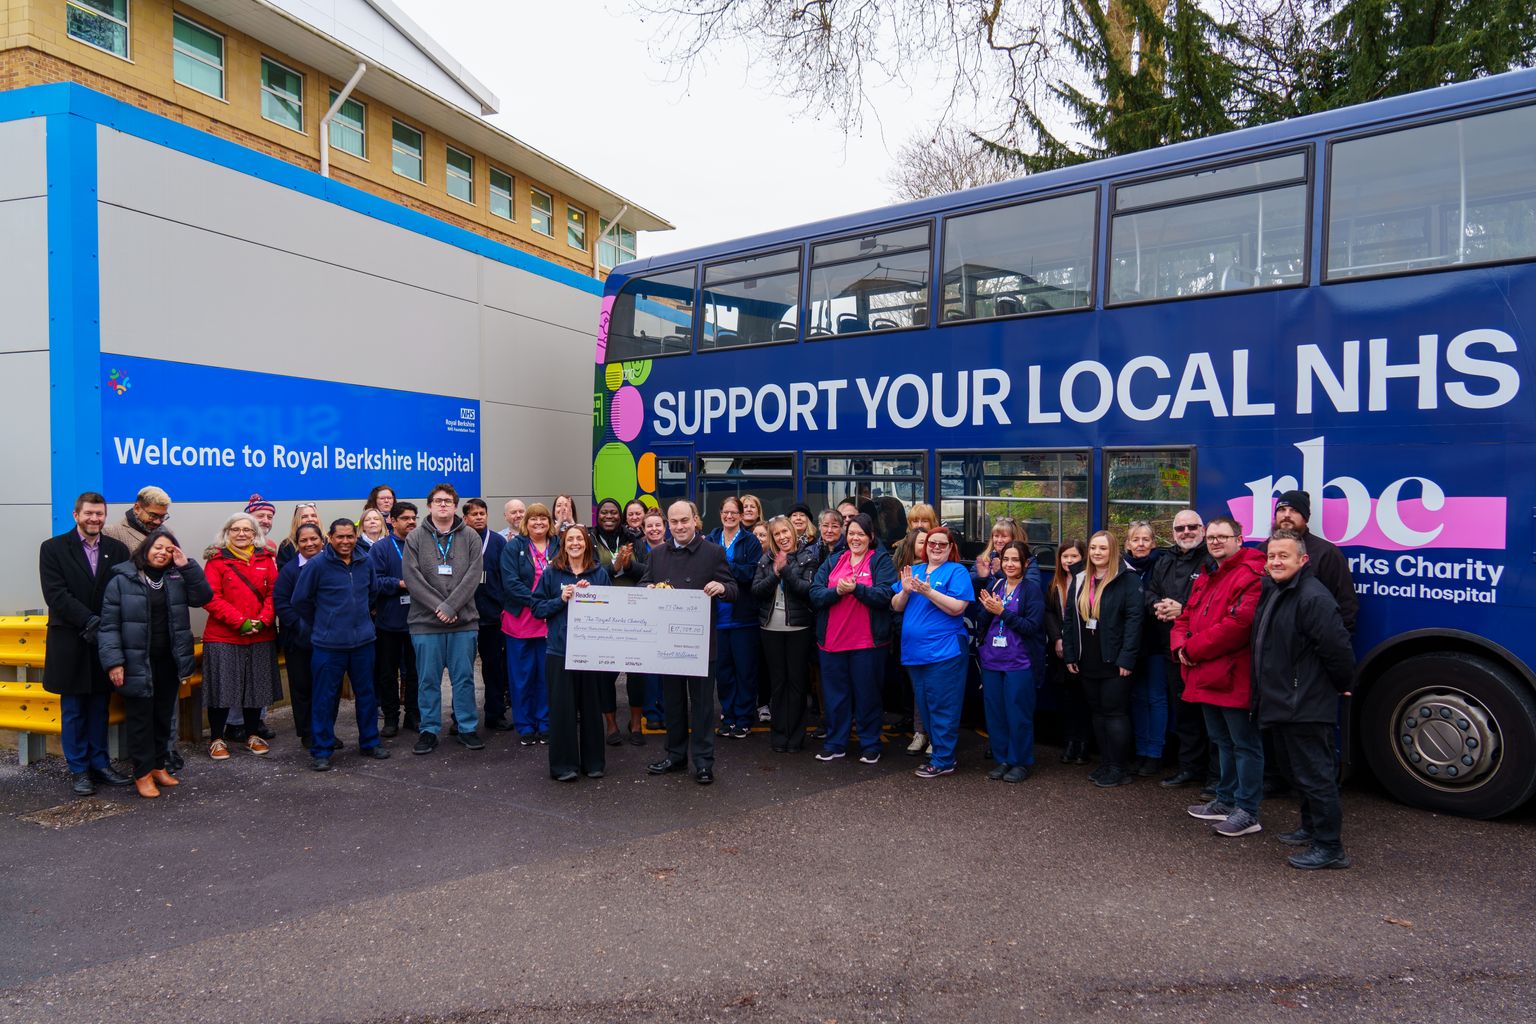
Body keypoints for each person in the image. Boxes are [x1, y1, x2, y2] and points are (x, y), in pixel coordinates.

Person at [1253, 530, 1357, 870]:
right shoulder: (1277, 590)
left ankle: (1330, 847)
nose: (1276, 561)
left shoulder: (1313, 597)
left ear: (1303, 559)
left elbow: (1337, 648)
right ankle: (1310, 828)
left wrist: (1343, 684)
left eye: (1284, 556)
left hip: (1305, 702)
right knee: (1298, 772)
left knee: (1316, 775)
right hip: (1284, 700)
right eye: (1271, 556)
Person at [1169, 515, 1267, 837]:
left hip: (1233, 676)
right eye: (1211, 537)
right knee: (1222, 740)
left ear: (1239, 539)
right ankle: (1225, 800)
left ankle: (1247, 811)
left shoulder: (1251, 574)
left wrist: (1191, 649)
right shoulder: (1208, 573)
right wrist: (1179, 646)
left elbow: (1237, 626)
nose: (1215, 542)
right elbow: (1185, 615)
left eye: (1222, 537)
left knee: (1244, 744)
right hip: (1206, 675)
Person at [98, 528, 210, 797]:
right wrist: (114, 662)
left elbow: (203, 597)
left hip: (168, 661)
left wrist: (187, 566)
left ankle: (159, 766)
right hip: (136, 662)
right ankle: (143, 773)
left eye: (169, 549)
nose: (163, 553)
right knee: (140, 721)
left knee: (162, 717)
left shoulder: (175, 577)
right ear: (146, 549)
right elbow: (108, 626)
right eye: (158, 547)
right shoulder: (122, 579)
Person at [40, 493, 135, 796]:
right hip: (71, 639)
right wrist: (91, 620)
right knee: (74, 709)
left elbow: (122, 591)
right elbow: (56, 594)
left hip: (104, 640)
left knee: (99, 706)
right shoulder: (53, 548)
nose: (94, 519)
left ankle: (100, 764)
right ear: (76, 515)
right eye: (89, 513)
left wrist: (106, 625)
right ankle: (79, 769)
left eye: (99, 514)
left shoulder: (117, 550)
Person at [641, 500, 737, 786]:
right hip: (667, 643)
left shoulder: (713, 552)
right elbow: (643, 584)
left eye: (685, 520)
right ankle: (675, 756)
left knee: (703, 706)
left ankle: (704, 762)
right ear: (668, 524)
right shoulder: (657, 554)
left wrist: (721, 587)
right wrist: (647, 589)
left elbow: (733, 589)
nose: (680, 526)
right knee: (672, 703)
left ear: (695, 520)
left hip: (700, 645)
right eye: (674, 522)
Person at [292, 519, 389, 771]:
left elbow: (372, 593)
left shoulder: (366, 561)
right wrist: (323, 622)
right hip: (328, 645)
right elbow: (300, 600)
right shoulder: (317, 565)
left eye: (350, 536)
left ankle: (370, 742)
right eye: (340, 537)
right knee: (324, 698)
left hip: (363, 643)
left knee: (366, 695)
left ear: (356, 536)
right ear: (330, 538)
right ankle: (322, 750)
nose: (345, 541)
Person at [404, 483, 484, 755]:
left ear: (455, 506)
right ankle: (428, 730)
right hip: (425, 624)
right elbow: (412, 578)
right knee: (428, 681)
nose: (442, 505)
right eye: (438, 501)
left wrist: (451, 606)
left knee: (464, 679)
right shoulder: (415, 538)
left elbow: (474, 575)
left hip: (463, 622)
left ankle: (466, 727)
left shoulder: (470, 536)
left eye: (448, 501)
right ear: (429, 506)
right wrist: (440, 607)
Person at [1061, 530, 1144, 788]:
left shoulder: (1128, 579)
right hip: (1087, 658)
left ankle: (1119, 768)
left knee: (1114, 713)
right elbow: (1069, 620)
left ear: (1113, 551)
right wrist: (1071, 654)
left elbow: (1135, 622)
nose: (1097, 553)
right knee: (1097, 713)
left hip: (1115, 660)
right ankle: (1106, 763)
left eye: (1103, 548)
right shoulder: (1081, 578)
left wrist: (1127, 659)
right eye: (1094, 548)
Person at [892, 525, 974, 778]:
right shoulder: (914, 570)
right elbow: (896, 605)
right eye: (931, 543)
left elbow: (957, 608)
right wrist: (905, 591)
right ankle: (940, 754)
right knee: (926, 706)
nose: (936, 547)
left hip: (944, 651)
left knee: (943, 706)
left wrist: (929, 592)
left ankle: (944, 759)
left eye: (942, 544)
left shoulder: (957, 571)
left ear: (950, 548)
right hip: (915, 653)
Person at [531, 525, 612, 780]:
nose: (575, 543)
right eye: (570, 540)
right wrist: (561, 599)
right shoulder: (551, 573)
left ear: (587, 544)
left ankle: (594, 763)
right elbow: (537, 608)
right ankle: (563, 766)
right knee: (562, 710)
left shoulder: (599, 573)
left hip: (591, 653)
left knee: (591, 708)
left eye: (579, 539)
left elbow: (611, 610)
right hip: (559, 651)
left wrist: (592, 596)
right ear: (563, 545)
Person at [201, 513, 283, 760]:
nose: (241, 534)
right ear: (227, 532)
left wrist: (264, 620)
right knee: (222, 689)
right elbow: (210, 597)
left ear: (255, 534)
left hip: (260, 634)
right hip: (224, 636)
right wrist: (241, 622)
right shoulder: (216, 560)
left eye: (247, 530)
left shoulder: (266, 559)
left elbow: (274, 593)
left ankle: (252, 734)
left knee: (256, 687)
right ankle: (217, 738)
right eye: (235, 529)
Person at [1147, 510, 1213, 790]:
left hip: (1203, 650)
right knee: (1183, 710)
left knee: (1210, 715)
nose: (1186, 532)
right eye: (1180, 528)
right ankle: (1189, 768)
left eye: (1192, 527)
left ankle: (1215, 776)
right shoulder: (1165, 560)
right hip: (1172, 649)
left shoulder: (1211, 560)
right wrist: (1159, 606)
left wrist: (1183, 609)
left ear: (1202, 529)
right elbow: (1150, 591)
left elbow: (1214, 602)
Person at [977, 540, 1046, 783]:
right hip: (992, 660)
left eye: (1015, 560)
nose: (1010, 564)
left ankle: (1020, 762)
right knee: (996, 714)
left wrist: (1002, 612)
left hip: (1019, 662)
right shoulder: (997, 584)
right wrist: (987, 610)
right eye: (1006, 559)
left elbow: (1032, 626)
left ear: (1026, 563)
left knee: (1018, 714)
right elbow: (984, 621)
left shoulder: (1031, 590)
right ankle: (1003, 759)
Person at [751, 516, 820, 752]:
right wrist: (775, 574)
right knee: (778, 684)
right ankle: (779, 736)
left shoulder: (808, 557)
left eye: (785, 532)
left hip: (799, 629)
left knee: (797, 684)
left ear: (793, 532)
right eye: (777, 534)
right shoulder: (765, 559)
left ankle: (796, 738)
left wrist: (786, 570)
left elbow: (807, 590)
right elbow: (756, 590)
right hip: (770, 628)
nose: (782, 537)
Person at [500, 502, 556, 746]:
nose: (539, 522)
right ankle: (524, 726)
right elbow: (510, 583)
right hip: (520, 620)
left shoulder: (558, 545)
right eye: (533, 518)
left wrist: (550, 605)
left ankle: (545, 723)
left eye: (543, 518)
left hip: (550, 620)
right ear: (526, 522)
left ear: (549, 522)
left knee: (546, 676)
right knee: (521, 676)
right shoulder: (514, 547)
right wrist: (538, 602)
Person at [709, 496, 763, 739]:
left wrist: (724, 565)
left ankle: (743, 718)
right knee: (723, 673)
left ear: (741, 516)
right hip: (718, 618)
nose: (729, 516)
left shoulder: (750, 541)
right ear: (720, 513)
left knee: (745, 671)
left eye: (734, 513)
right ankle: (728, 716)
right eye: (726, 512)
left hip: (743, 618)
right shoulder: (711, 539)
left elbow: (751, 573)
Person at [591, 497, 645, 744]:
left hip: (634, 613)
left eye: (613, 512)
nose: (609, 516)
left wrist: (629, 565)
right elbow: (588, 572)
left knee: (637, 673)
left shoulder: (634, 539)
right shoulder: (591, 539)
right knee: (605, 673)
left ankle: (635, 724)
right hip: (603, 615)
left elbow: (647, 571)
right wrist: (613, 568)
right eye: (604, 512)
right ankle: (611, 726)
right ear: (598, 515)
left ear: (620, 516)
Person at [273, 523, 328, 751]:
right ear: (297, 544)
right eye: (304, 540)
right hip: (299, 641)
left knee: (326, 689)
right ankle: (307, 732)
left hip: (329, 639)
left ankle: (325, 732)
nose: (309, 544)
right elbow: (281, 603)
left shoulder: (332, 564)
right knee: (302, 688)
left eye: (313, 539)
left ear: (322, 540)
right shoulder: (290, 570)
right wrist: (302, 627)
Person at [1272, 490, 1358, 634]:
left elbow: (1346, 604)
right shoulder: (1262, 550)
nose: (1286, 515)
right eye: (1281, 509)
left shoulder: (1326, 553)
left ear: (1305, 518)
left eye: (1294, 510)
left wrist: (1337, 639)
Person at [1121, 521, 1168, 777]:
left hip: (1156, 641)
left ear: (1154, 543)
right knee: (1137, 698)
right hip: (1131, 644)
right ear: (1128, 544)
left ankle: (1155, 753)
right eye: (1135, 539)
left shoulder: (1162, 565)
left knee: (1156, 698)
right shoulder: (1122, 568)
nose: (1140, 544)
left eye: (1146, 539)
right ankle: (1140, 750)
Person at [369, 502, 420, 736]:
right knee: (388, 673)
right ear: (392, 520)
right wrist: (399, 583)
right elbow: (373, 582)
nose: (411, 522)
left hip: (417, 621)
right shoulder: (380, 548)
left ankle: (413, 716)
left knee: (415, 672)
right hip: (388, 622)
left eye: (414, 518)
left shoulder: (421, 545)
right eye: (406, 518)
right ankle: (390, 718)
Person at [463, 498, 510, 731]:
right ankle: (461, 717)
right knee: (462, 671)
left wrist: (503, 606)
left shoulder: (498, 541)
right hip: (464, 617)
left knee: (493, 668)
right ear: (465, 518)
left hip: (492, 616)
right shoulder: (458, 540)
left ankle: (495, 714)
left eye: (482, 513)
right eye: (474, 514)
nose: (479, 517)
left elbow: (506, 576)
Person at [1045, 539, 1091, 765]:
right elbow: (1049, 613)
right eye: (1065, 556)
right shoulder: (1055, 583)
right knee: (1066, 699)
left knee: (1083, 698)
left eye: (1074, 556)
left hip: (1083, 650)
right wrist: (1057, 638)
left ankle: (1084, 744)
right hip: (1060, 650)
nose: (1069, 561)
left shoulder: (1089, 582)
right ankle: (1070, 742)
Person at [893, 527, 931, 756]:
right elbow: (896, 605)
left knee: (934, 691)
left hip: (935, 642)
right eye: (920, 542)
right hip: (910, 640)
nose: (926, 546)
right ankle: (920, 732)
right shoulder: (906, 571)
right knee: (918, 689)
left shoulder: (944, 569)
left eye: (929, 542)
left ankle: (934, 735)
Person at [103, 486, 171, 551]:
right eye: (153, 515)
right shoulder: (111, 533)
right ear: (137, 508)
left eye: (162, 517)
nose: (158, 521)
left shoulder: (168, 533)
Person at [276, 502, 321, 569]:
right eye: (304, 517)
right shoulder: (286, 545)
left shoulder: (328, 541)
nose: (310, 519)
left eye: (313, 516)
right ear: (297, 520)